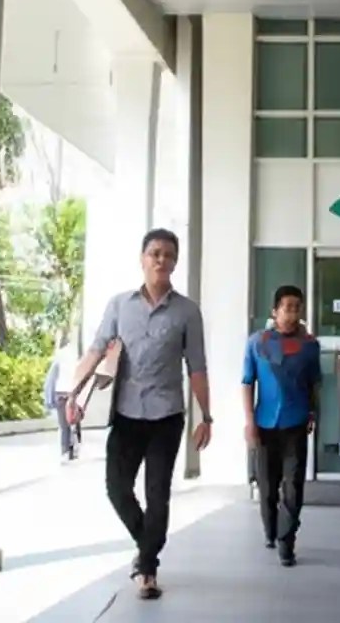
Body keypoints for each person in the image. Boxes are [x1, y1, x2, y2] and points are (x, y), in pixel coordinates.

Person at [66, 228, 213, 601]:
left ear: (175, 262)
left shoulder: (187, 311)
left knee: (158, 494)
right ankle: (147, 542)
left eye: (167, 254)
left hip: (167, 417)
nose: (160, 259)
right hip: (127, 414)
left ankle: (146, 569)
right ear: (142, 258)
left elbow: (197, 367)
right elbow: (96, 350)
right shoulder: (119, 305)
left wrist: (205, 416)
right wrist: (73, 394)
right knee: (117, 488)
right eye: (154, 253)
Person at [242, 285, 322, 567]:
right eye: (287, 307)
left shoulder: (310, 345)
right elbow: (247, 382)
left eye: (296, 308)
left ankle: (287, 542)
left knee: (294, 485)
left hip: (296, 423)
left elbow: (314, 383)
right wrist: (249, 422)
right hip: (264, 425)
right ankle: (271, 530)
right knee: (267, 487)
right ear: (274, 311)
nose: (292, 313)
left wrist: (313, 411)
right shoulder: (257, 342)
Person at [43, 340, 77, 462]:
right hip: (73, 392)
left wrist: (48, 400)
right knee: (73, 421)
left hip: (61, 393)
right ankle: (72, 448)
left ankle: (65, 451)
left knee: (64, 425)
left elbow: (51, 380)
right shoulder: (77, 356)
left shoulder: (59, 358)